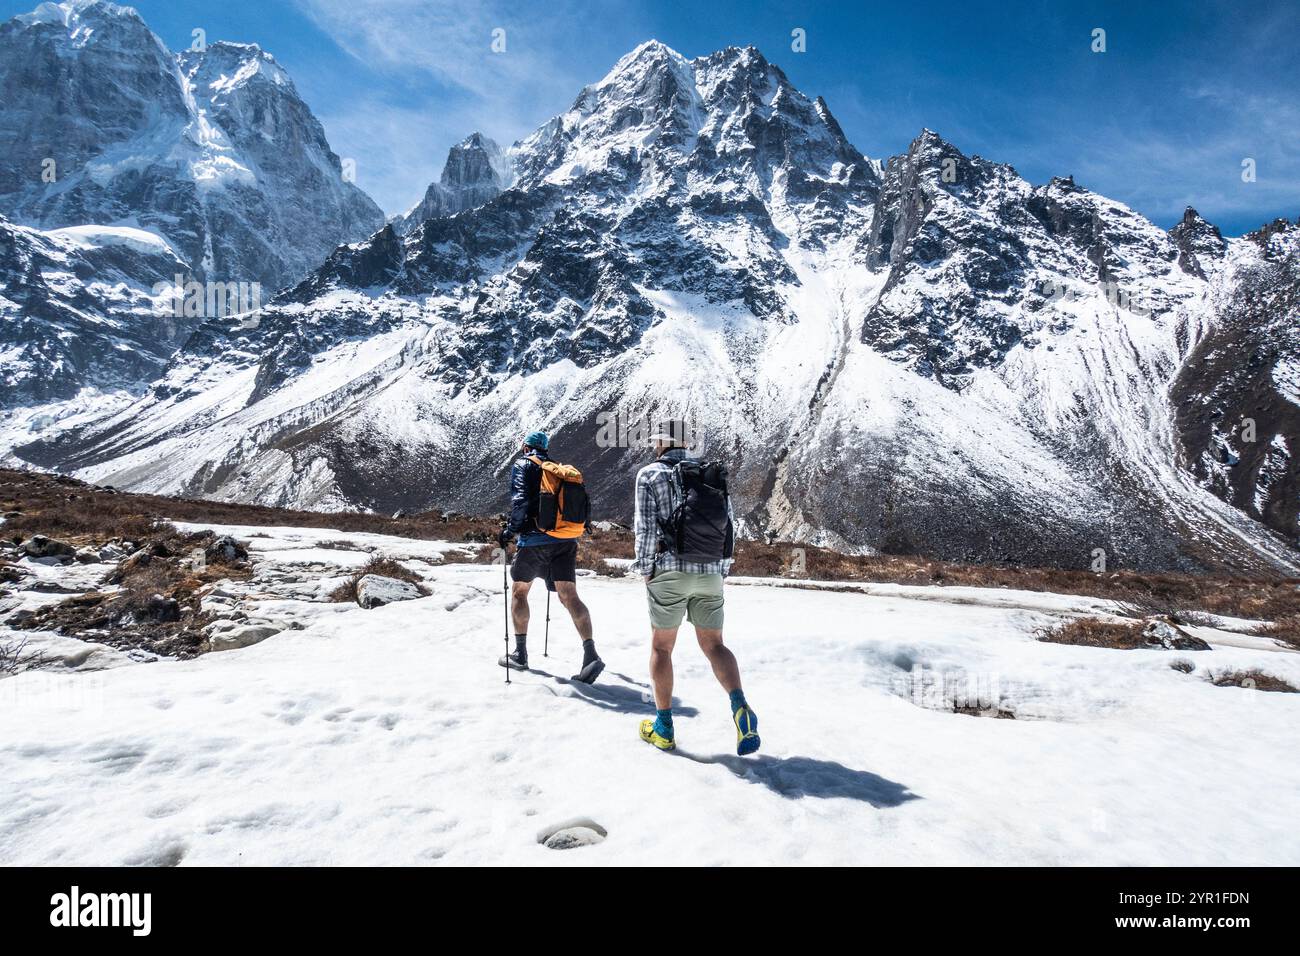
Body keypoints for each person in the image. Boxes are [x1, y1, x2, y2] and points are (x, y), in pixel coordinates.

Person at [632, 420, 759, 755]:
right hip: (710, 573)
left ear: (661, 444)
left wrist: (647, 570)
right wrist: (722, 570)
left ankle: (663, 727)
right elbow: (728, 526)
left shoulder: (650, 474)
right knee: (715, 645)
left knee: (662, 648)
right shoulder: (709, 474)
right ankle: (741, 707)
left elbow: (644, 530)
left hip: (669, 572)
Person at [497, 430, 604, 683]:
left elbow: (520, 502)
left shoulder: (524, 464)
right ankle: (590, 654)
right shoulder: (556, 469)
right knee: (570, 597)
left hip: (534, 541)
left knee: (519, 592)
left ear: (525, 447)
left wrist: (509, 531)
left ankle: (520, 654)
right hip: (566, 541)